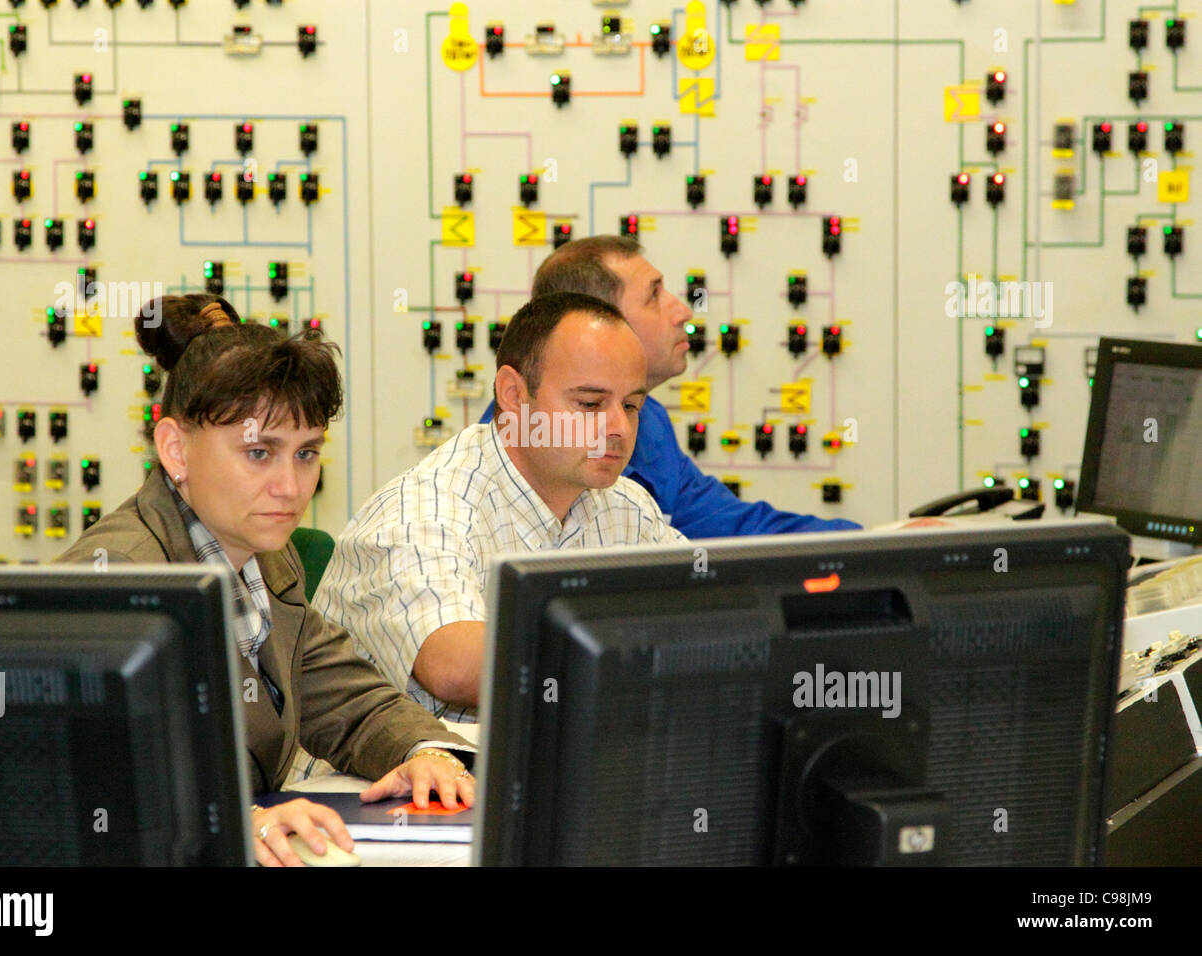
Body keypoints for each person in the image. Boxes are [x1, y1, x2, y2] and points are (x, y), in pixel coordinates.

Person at [53, 294, 475, 867]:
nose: (290, 486)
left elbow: (347, 698)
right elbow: (83, 778)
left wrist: (428, 753)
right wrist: (235, 820)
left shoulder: (265, 559)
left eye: (306, 454)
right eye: (258, 452)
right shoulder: (119, 578)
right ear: (175, 448)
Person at [313, 292, 686, 721]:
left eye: (631, 406)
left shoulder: (627, 507)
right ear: (512, 393)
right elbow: (453, 666)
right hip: (359, 786)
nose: (619, 428)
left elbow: (713, 613)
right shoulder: (422, 511)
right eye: (589, 404)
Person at [480, 236, 863, 537]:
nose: (683, 311)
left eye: (628, 407)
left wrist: (872, 540)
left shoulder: (651, 423)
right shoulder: (501, 457)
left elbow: (731, 529)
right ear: (597, 320)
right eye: (654, 296)